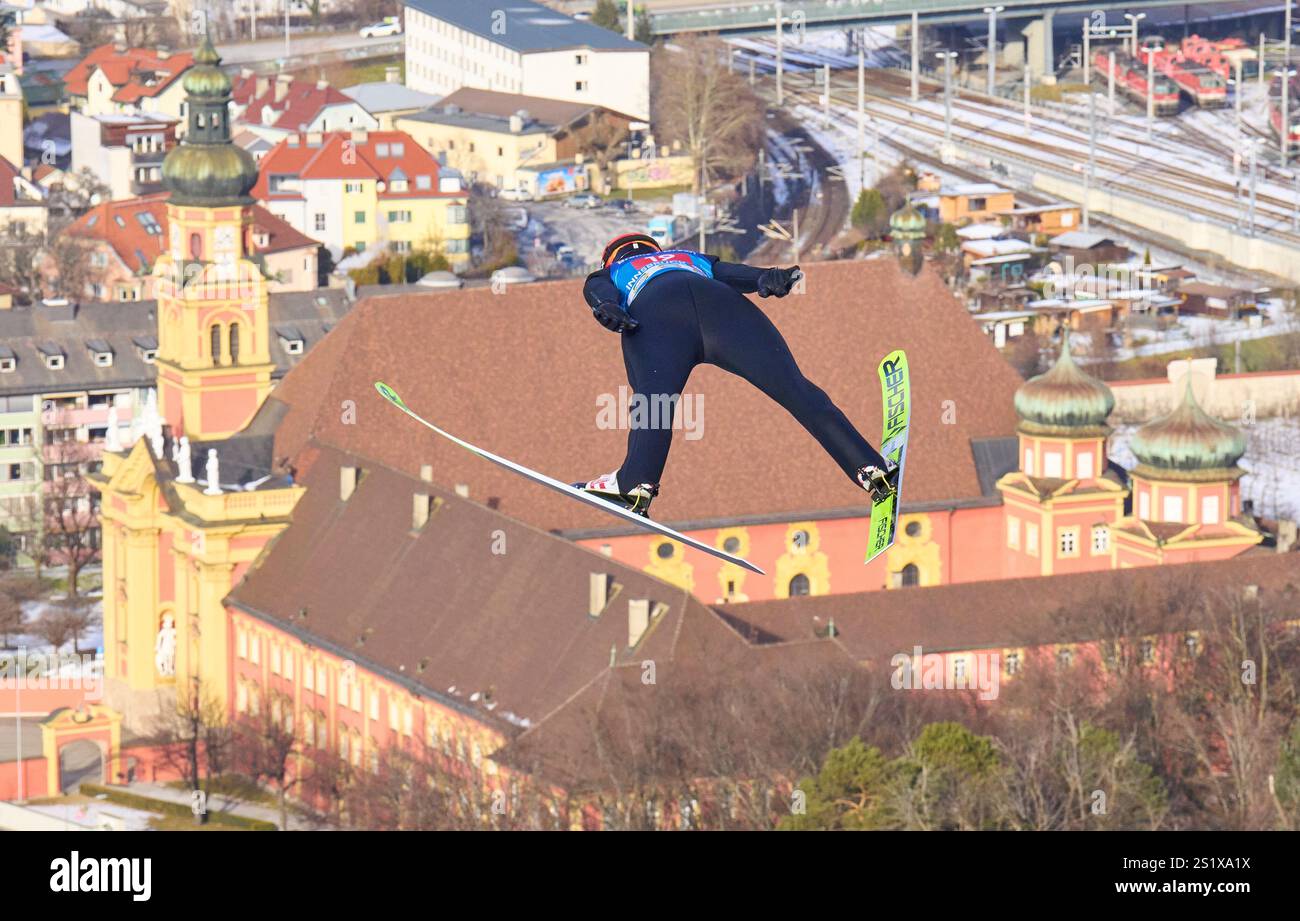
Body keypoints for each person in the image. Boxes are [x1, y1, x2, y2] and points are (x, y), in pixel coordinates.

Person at [574, 232, 896, 517]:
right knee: (796, 390)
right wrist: (768, 278)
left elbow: (598, 292)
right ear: (655, 249)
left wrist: (608, 307)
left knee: (654, 405)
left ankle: (636, 483)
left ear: (611, 257)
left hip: (657, 319)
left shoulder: (611, 272)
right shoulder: (688, 257)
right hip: (722, 309)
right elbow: (732, 273)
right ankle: (868, 467)